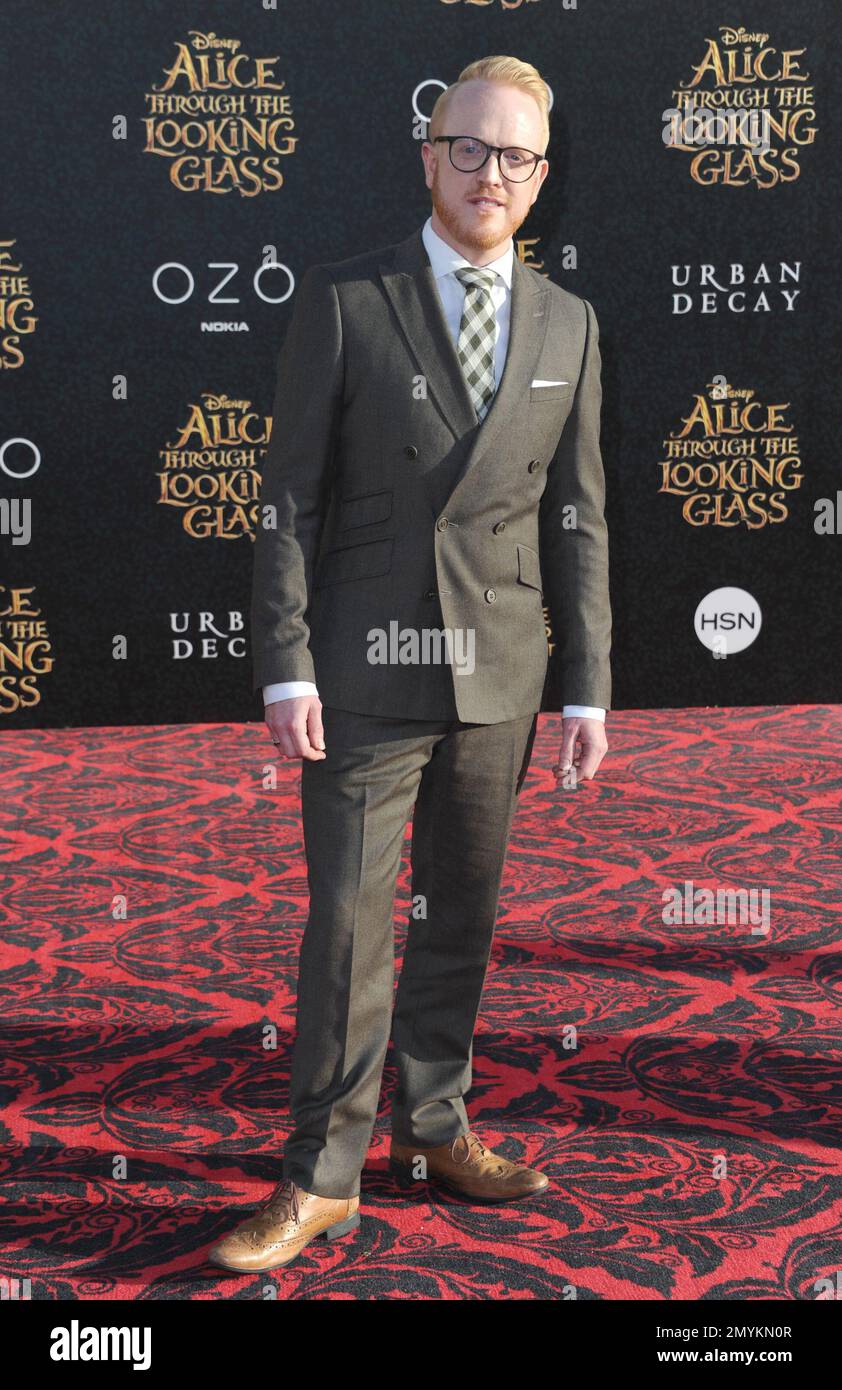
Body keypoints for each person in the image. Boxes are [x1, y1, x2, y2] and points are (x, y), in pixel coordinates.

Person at [208, 53, 611, 1275]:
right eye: (471, 147)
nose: (492, 173)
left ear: (540, 179)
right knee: (347, 925)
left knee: (461, 914)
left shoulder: (570, 323)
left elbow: (578, 515)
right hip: (366, 667)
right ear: (429, 154)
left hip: (502, 672)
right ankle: (319, 1176)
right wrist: (286, 664)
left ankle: (437, 1127)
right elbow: (286, 501)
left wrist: (586, 680)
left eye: (517, 156)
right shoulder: (346, 297)